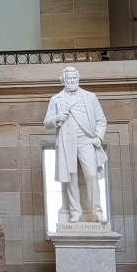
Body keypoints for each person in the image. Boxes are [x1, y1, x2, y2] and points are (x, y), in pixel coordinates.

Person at [44, 67, 108, 223]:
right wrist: (57, 118)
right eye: (69, 78)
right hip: (67, 141)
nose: (72, 81)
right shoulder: (56, 99)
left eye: (74, 78)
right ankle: (75, 213)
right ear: (63, 80)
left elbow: (101, 120)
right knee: (71, 178)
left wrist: (99, 136)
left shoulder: (90, 97)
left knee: (91, 175)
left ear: (78, 78)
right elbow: (47, 122)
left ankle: (97, 212)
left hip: (86, 140)